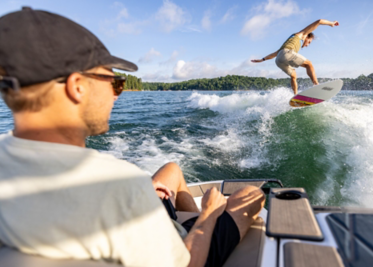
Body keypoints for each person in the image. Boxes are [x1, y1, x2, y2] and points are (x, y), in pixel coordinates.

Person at [0, 7, 265, 267]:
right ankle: (198, 227)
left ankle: (191, 222)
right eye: (114, 82)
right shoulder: (119, 188)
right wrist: (208, 214)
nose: (118, 94)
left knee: (172, 169)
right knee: (252, 195)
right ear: (77, 87)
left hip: (130, 228)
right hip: (185, 252)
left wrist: (141, 193)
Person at [251, 19, 339, 95]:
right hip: (287, 53)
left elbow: (275, 54)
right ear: (307, 37)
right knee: (309, 64)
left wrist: (262, 60)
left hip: (278, 60)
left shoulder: (288, 42)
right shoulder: (302, 34)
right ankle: (316, 85)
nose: (307, 45)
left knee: (293, 75)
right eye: (309, 42)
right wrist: (331, 23)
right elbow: (319, 21)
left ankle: (295, 95)